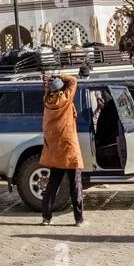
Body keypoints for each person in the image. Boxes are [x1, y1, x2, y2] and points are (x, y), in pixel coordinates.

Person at [39, 74, 85, 225]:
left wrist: (48, 82)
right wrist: (58, 75)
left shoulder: (47, 102)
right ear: (62, 89)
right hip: (69, 149)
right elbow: (73, 80)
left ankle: (46, 218)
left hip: (55, 150)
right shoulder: (66, 98)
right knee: (75, 186)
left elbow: (47, 90)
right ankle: (79, 219)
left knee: (52, 185)